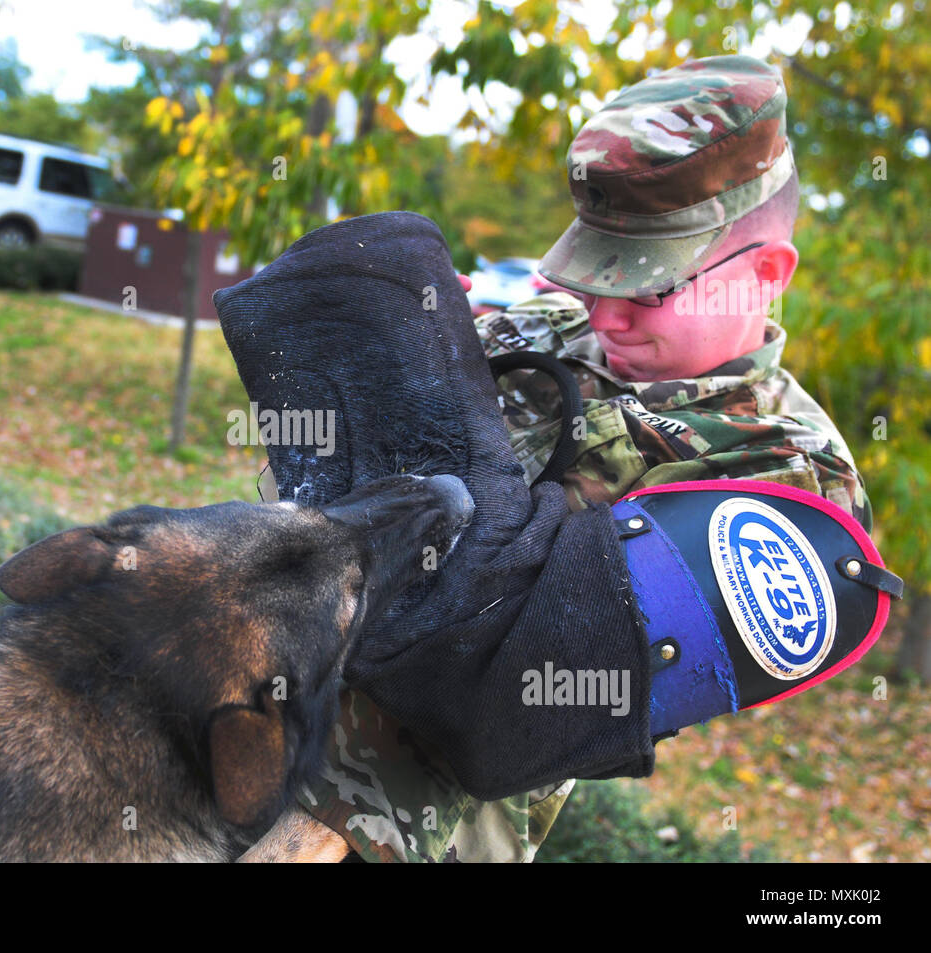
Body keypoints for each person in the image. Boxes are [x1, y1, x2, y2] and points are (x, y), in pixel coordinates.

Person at [290, 54, 877, 863]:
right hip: (226, 716)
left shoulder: (795, 490)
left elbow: (500, 695)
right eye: (595, 272)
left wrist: (410, 442)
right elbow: (307, 488)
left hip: (379, 836)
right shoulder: (548, 329)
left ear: (765, 275)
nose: (603, 312)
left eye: (646, 285)